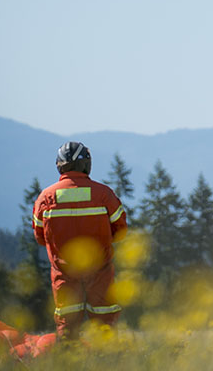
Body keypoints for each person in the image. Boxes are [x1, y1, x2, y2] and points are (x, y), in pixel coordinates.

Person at [32, 142, 127, 340]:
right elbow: (121, 230)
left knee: (67, 326)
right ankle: (107, 360)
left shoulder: (46, 197)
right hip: (99, 268)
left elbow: (40, 237)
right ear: (86, 165)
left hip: (63, 271)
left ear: (59, 166)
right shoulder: (103, 194)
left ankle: (69, 362)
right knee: (104, 322)